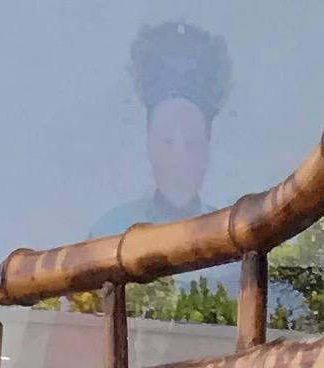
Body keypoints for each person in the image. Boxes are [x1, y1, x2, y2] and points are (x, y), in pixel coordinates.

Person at [90, 21, 231, 237]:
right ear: (150, 146)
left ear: (207, 150)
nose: (179, 161)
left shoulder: (229, 235)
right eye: (167, 143)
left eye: (191, 144)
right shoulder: (110, 232)